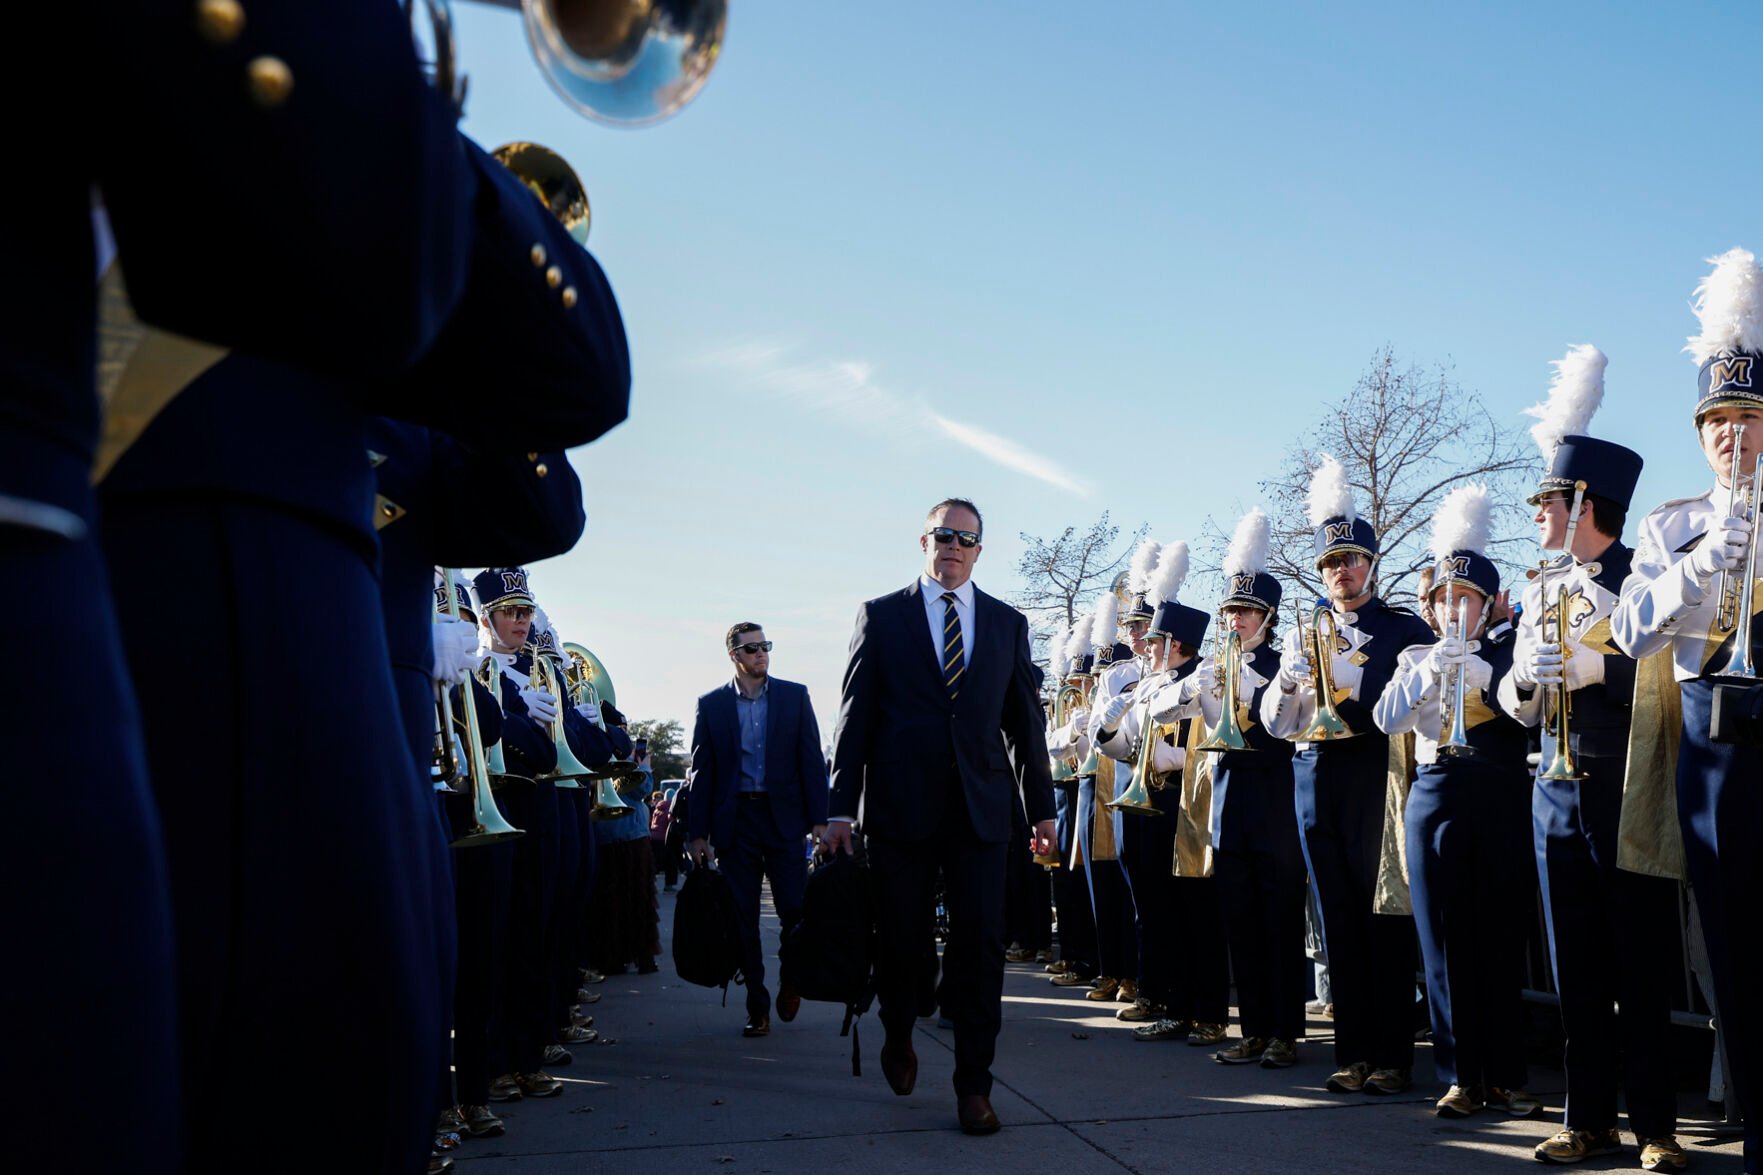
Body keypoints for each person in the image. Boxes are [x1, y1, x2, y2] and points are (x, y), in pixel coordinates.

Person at [1499, 345, 1684, 1168]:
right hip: (1552, 789)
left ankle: (1654, 1124)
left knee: (1638, 960)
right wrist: (1525, 682)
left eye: (1547, 499)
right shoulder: (1538, 587)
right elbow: (1513, 698)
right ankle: (1587, 1117)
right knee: (1573, 962)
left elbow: (1667, 678)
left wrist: (1597, 668)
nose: (1536, 513)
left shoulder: (1643, 577)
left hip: (1625, 785)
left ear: (1582, 502)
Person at [823, 498, 1057, 1135]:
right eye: (943, 535)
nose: (954, 545)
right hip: (901, 811)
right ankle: (899, 1028)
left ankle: (973, 1086)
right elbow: (854, 719)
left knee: (981, 947)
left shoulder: (1007, 623)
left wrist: (1042, 810)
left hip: (982, 813)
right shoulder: (882, 616)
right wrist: (839, 809)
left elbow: (1025, 726)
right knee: (903, 942)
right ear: (923, 541)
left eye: (966, 538)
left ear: (979, 550)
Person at [1614, 248, 1763, 1175]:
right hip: (1714, 742)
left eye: (1747, 416)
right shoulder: (1670, 525)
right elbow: (1631, 629)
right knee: (1737, 950)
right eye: (1716, 420)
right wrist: (1699, 566)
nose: (1731, 434)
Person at [1261, 455, 1434, 1097]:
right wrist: (1288, 682)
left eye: (1352, 559)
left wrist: (1346, 683)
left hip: (1372, 773)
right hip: (1312, 773)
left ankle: (1393, 1055)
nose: (1342, 571)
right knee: (1335, 915)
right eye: (1332, 563)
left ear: (1371, 564)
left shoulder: (1403, 628)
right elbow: (1277, 726)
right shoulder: (1306, 632)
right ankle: (1353, 1051)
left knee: (1380, 912)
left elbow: (1403, 710)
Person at [1374, 485, 1540, 1122]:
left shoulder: (1511, 648)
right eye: (1444, 599)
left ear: (1489, 603)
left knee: (1500, 936)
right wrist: (1427, 671)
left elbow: (1528, 712)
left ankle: (1507, 1074)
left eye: (1466, 598)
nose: (1453, 609)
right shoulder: (1415, 655)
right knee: (1442, 943)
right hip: (1436, 791)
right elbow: (1387, 719)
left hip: (1498, 790)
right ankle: (1459, 1076)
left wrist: (1485, 675)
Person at [1146, 509, 1303, 1067]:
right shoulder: (1213, 665)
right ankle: (1254, 1029)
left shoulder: (1283, 663)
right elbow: (1162, 710)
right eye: (1231, 611)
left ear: (1268, 617)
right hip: (1229, 799)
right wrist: (1193, 686)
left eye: (1246, 611)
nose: (1236, 619)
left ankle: (1286, 1031)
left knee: (1279, 918)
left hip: (1275, 795)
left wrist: (1257, 683)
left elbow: (1288, 726)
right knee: (1241, 918)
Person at [686, 623, 829, 1036]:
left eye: (765, 646)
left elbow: (811, 760)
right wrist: (698, 833)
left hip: (783, 818)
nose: (761, 653)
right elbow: (702, 772)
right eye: (751, 649)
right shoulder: (712, 705)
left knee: (794, 910)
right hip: (737, 822)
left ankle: (791, 978)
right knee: (742, 916)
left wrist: (820, 819)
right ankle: (757, 1005)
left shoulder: (794, 696)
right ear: (734, 655)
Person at [1115, 542, 1231, 1045]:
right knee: (1160, 909)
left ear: (1176, 643)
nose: (1145, 647)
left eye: (1154, 640)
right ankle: (1171, 1002)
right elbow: (1132, 733)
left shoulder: (1202, 676)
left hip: (1190, 804)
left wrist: (1177, 757)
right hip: (1152, 802)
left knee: (1195, 911)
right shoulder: (1152, 683)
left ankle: (1208, 1012)